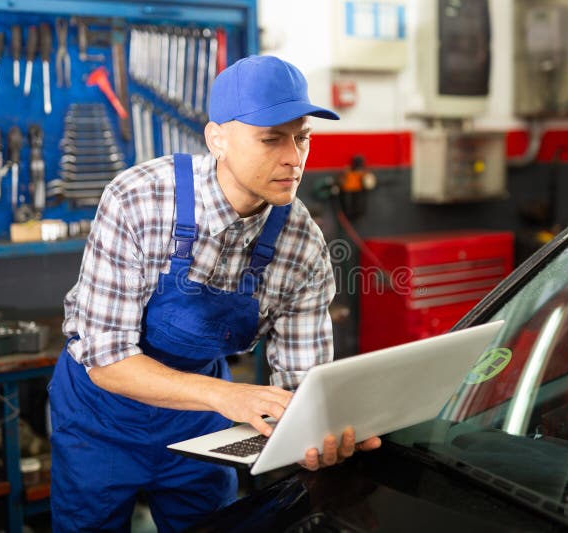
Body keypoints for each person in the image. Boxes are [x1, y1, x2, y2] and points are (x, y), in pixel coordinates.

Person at [48, 54, 381, 533]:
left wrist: (323, 433)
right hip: (101, 422)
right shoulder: (138, 201)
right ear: (216, 138)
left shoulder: (302, 246)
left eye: (302, 136)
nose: (294, 157)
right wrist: (230, 397)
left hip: (202, 423)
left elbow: (302, 384)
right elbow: (106, 358)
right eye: (271, 138)